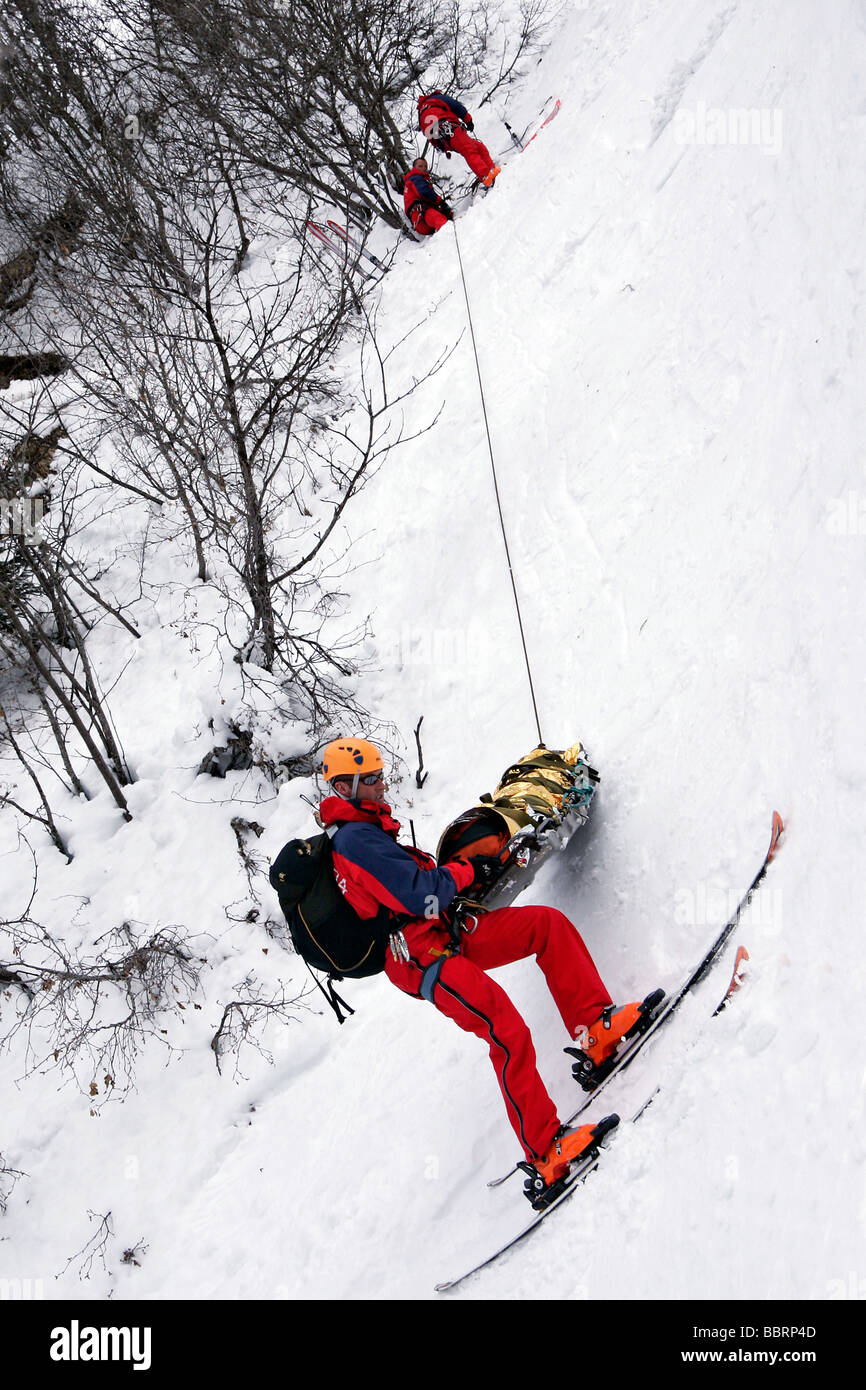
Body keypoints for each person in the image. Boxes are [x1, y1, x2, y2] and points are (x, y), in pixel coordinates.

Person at [319, 737, 658, 1196]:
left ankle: (595, 1030)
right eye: (372, 779)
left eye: (380, 775)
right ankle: (546, 1154)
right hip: (421, 957)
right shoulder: (357, 841)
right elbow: (421, 894)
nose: (383, 785)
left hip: (442, 932)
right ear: (345, 786)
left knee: (544, 927)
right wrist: (463, 870)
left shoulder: (366, 830)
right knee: (505, 1029)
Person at [417, 91, 501, 187]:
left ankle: (491, 170)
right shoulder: (436, 98)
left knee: (478, 147)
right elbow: (456, 106)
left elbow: (427, 134)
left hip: (444, 141)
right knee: (470, 151)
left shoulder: (420, 114)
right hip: (451, 130)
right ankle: (486, 176)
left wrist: (442, 147)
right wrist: (468, 120)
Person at [403, 158, 453, 237]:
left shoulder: (416, 180)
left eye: (425, 166)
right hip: (421, 214)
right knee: (443, 224)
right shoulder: (415, 178)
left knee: (443, 220)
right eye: (420, 166)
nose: (424, 168)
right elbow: (425, 192)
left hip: (420, 220)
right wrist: (441, 202)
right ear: (414, 168)